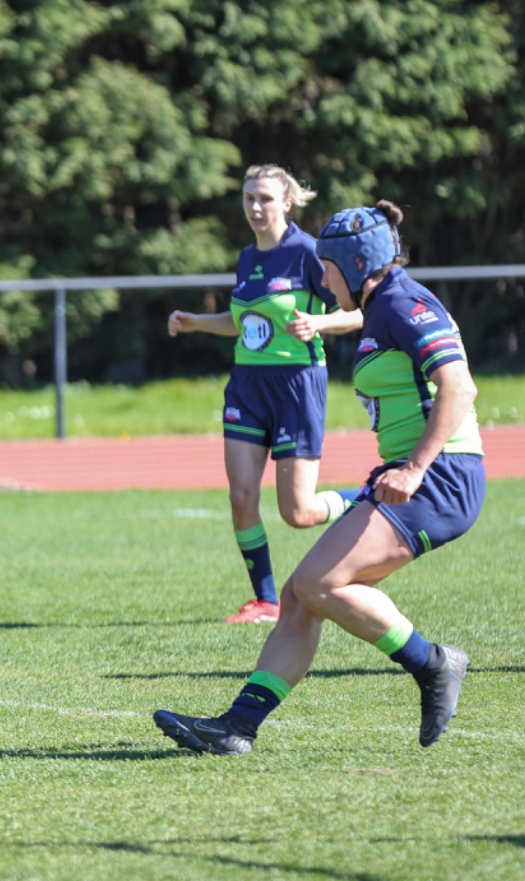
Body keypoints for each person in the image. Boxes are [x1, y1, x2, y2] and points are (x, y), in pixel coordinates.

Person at [154, 200, 484, 755]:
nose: (324, 281)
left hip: (440, 477)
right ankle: (237, 727)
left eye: (329, 269)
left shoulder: (403, 303)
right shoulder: (380, 307)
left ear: (357, 264)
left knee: (319, 584)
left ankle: (433, 664)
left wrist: (413, 468)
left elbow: (460, 388)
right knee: (299, 595)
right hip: (410, 474)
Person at [167, 164, 363, 624]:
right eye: (249, 198)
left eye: (266, 198)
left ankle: (368, 495)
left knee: (298, 512)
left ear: (287, 202)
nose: (256, 207)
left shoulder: (309, 253)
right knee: (241, 496)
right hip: (248, 385)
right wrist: (195, 322)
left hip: (297, 383)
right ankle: (266, 601)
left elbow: (355, 314)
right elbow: (244, 323)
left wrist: (318, 322)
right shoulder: (247, 258)